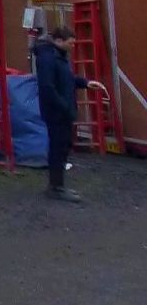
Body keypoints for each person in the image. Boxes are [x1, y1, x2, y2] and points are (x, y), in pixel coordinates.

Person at [33, 24, 102, 202]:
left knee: (62, 147)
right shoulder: (48, 58)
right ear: (58, 41)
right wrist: (64, 107)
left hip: (62, 111)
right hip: (57, 113)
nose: (72, 46)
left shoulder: (59, 56)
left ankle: (58, 185)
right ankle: (56, 187)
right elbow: (48, 87)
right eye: (70, 43)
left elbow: (66, 79)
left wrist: (85, 83)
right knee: (58, 148)